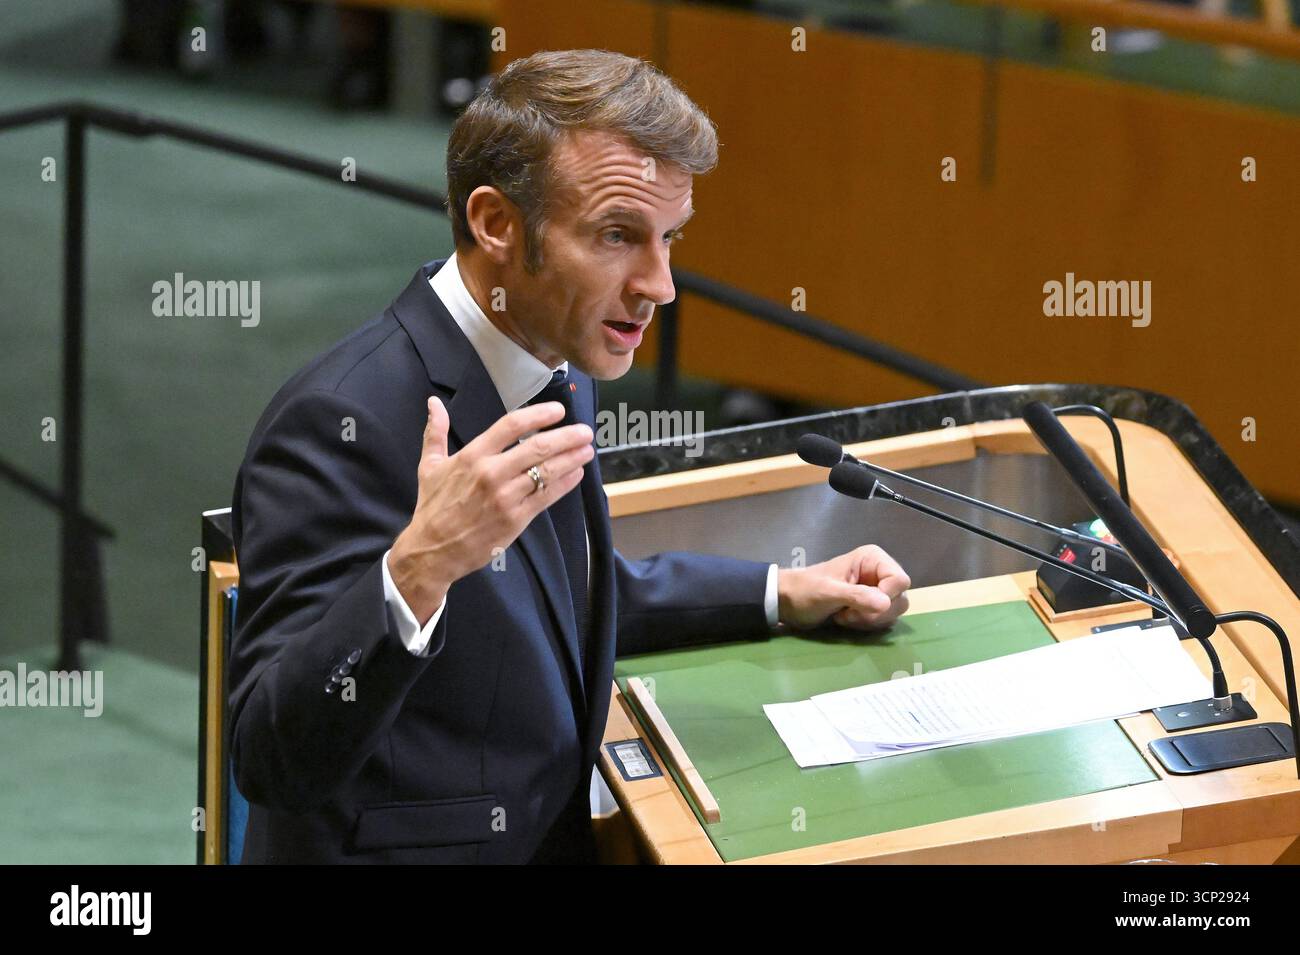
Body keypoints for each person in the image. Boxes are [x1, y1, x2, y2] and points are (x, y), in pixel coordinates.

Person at [228, 48, 911, 864]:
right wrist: (416, 571)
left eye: (670, 240)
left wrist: (783, 589)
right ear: (496, 224)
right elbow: (270, 756)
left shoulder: (549, 356)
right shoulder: (341, 420)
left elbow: (560, 598)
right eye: (617, 237)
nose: (660, 285)